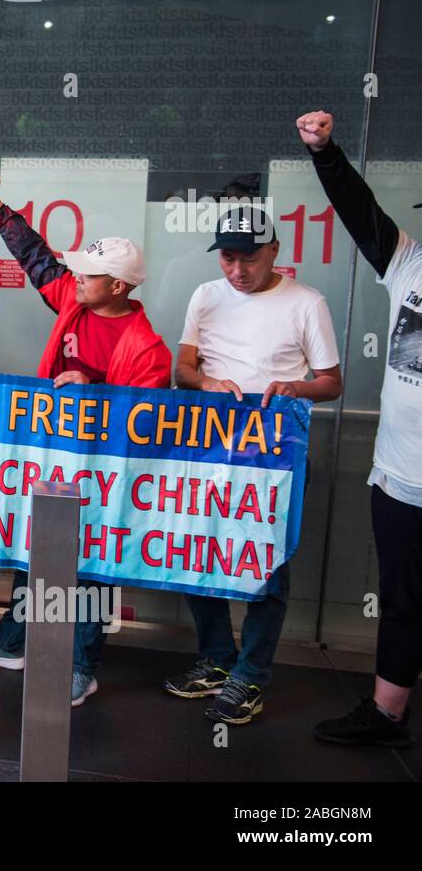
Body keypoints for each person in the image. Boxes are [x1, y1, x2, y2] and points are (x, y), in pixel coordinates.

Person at [0, 168, 173, 706]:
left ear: (117, 286)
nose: (75, 278)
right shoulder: (75, 299)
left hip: (103, 474)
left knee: (92, 565)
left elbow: (141, 426)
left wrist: (91, 388)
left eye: (89, 274)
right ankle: (13, 641)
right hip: (52, 458)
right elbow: (38, 259)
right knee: (34, 546)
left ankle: (82, 665)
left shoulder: (149, 350)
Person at [166, 203, 343, 724]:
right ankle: (218, 661)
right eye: (227, 258)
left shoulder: (307, 302)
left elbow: (333, 382)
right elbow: (183, 368)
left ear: (274, 253)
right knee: (198, 555)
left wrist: (296, 386)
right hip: (208, 448)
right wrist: (205, 382)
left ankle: (251, 674)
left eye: (248, 259)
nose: (237, 271)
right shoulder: (206, 295)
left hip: (273, 454)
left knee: (266, 564)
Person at [297, 110, 419, 748]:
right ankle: (388, 714)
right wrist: (325, 155)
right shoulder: (410, 266)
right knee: (400, 603)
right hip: (400, 479)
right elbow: (360, 210)